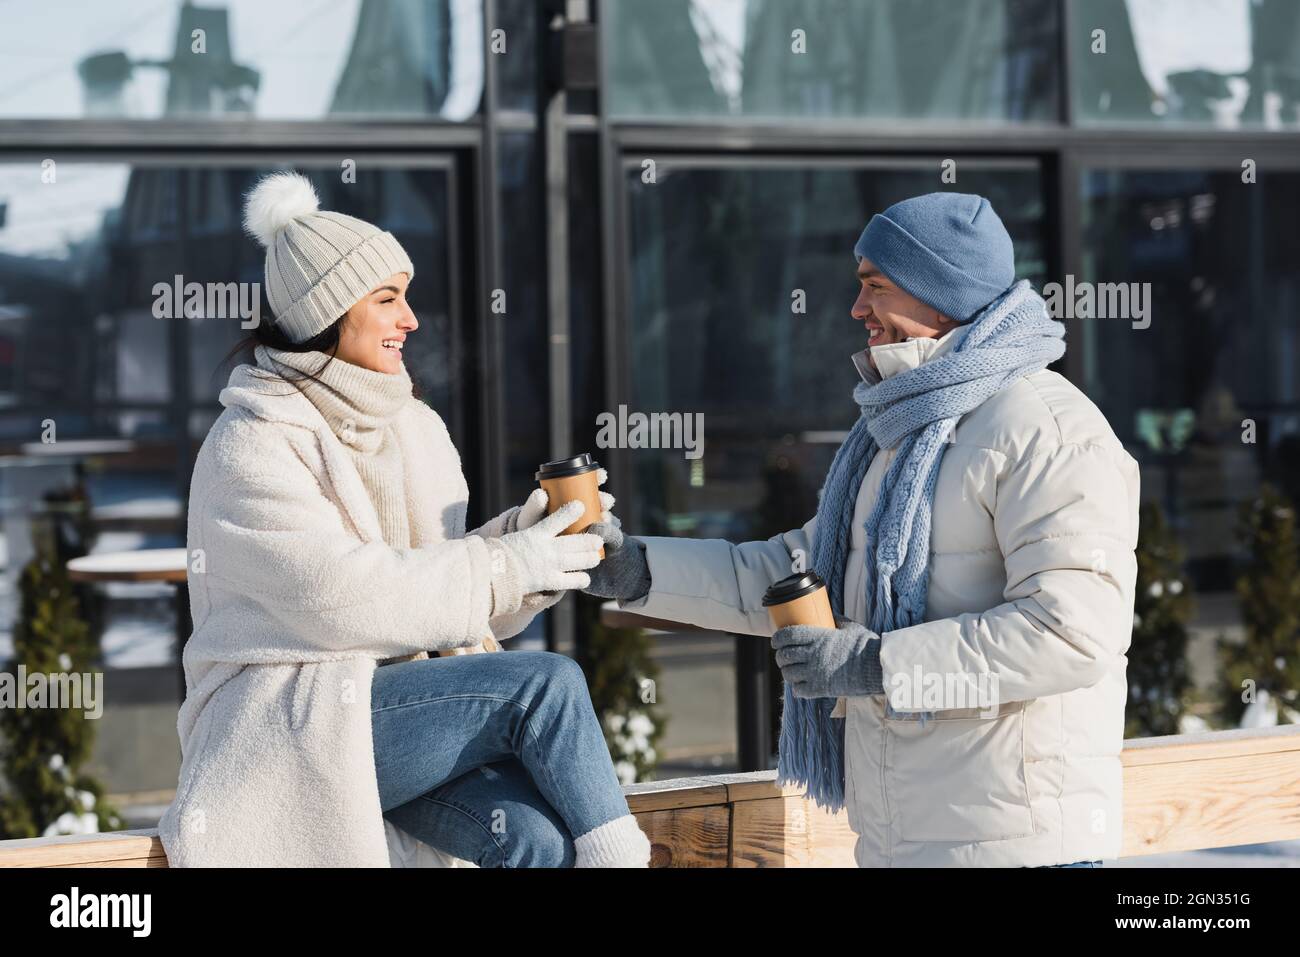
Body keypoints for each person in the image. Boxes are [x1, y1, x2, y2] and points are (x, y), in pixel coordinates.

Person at [584, 192, 1139, 868]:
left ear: (940, 293)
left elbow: (1071, 633)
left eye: (874, 286)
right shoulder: (899, 432)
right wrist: (640, 568)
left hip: (1016, 844)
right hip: (901, 842)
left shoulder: (1046, 430)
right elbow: (800, 570)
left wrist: (877, 664)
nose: (856, 309)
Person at [157, 171, 651, 868]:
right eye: (387, 299)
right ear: (326, 315)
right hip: (294, 722)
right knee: (547, 684)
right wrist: (506, 567)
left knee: (535, 841)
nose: (411, 319)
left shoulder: (413, 427)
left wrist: (527, 541)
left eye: (407, 297)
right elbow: (341, 595)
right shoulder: (253, 442)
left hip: (403, 720)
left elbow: (445, 592)